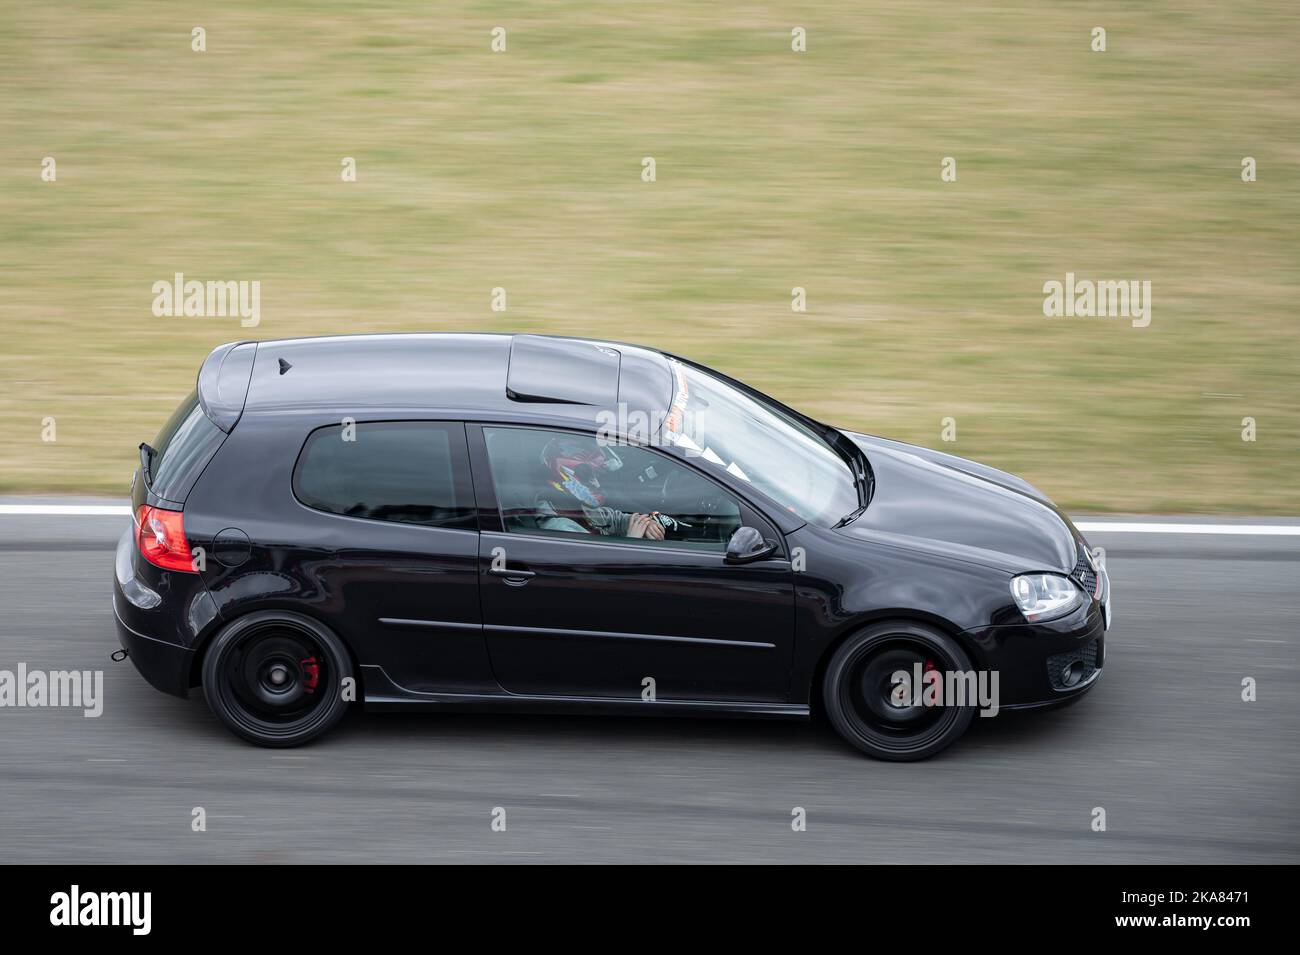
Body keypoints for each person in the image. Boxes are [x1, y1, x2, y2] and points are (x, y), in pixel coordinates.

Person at [535, 437, 665, 540]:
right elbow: (597, 567)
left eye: (596, 476)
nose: (597, 484)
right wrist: (632, 540)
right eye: (588, 476)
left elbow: (614, 519)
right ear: (564, 474)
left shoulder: (575, 507)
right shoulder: (560, 529)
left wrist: (645, 524)